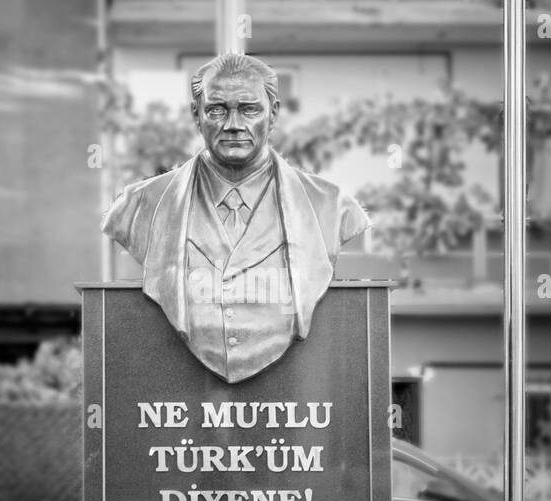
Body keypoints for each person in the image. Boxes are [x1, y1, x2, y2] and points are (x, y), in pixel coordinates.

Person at [102, 53, 368, 383]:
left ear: (273, 114)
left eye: (248, 109)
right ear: (196, 116)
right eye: (217, 110)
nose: (232, 124)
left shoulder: (331, 207)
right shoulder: (139, 205)